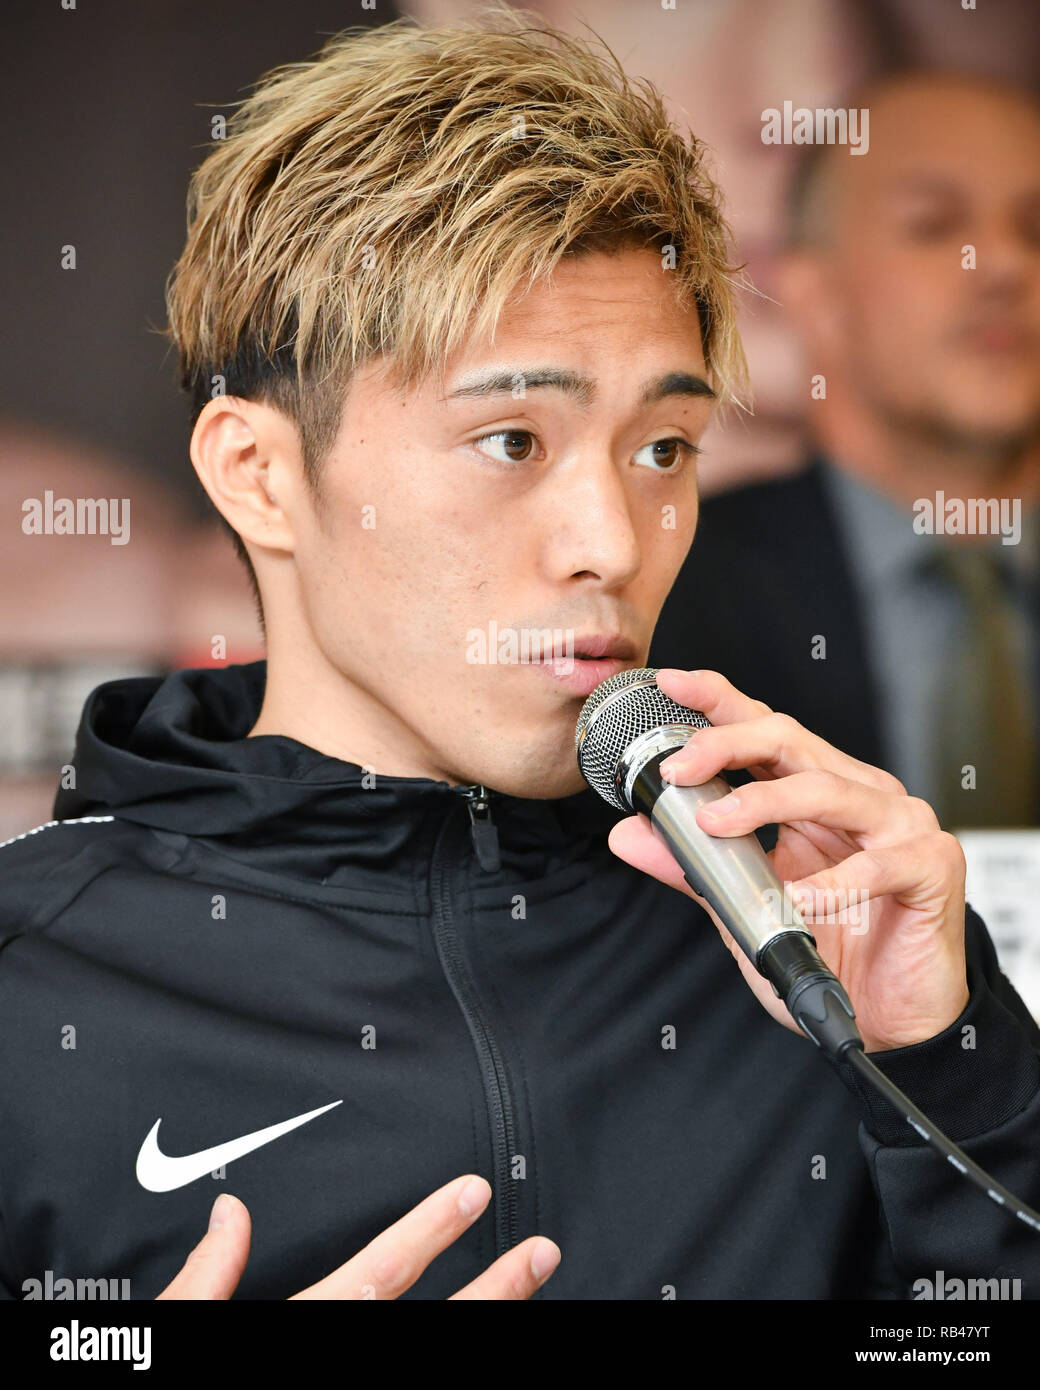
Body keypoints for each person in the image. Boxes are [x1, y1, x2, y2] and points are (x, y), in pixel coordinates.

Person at [2, 10, 1039, 1302]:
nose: (612, 538)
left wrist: (953, 1066)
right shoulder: (33, 989)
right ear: (260, 475)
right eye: (512, 441)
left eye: (663, 448)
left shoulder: (811, 942)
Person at [650, 72, 1040, 832]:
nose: (1002, 266)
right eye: (933, 225)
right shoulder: (676, 589)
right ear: (814, 295)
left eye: (1038, 231)